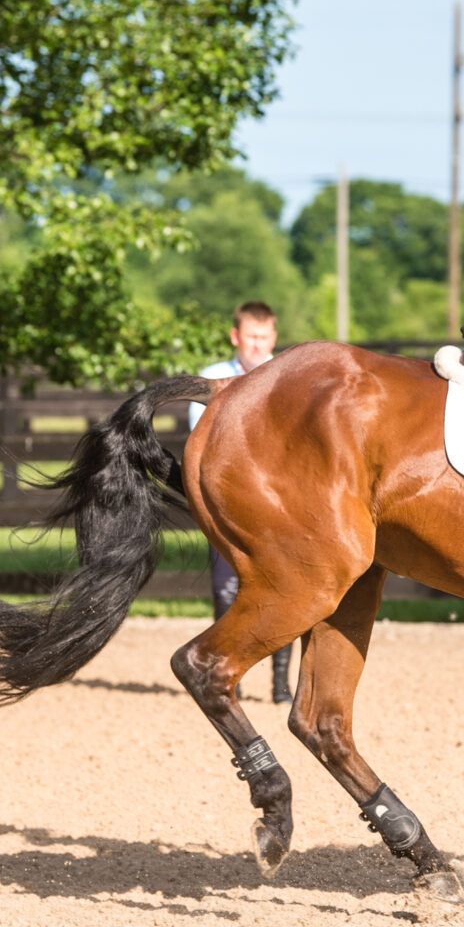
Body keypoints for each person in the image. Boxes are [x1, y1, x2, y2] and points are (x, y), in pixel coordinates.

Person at [189, 301, 293, 703]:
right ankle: (227, 671)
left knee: (285, 589)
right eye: (251, 337)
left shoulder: (287, 374)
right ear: (236, 336)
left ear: (274, 337)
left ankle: (281, 683)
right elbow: (199, 440)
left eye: (264, 337)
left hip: (279, 501)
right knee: (226, 590)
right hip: (229, 498)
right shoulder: (214, 378)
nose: (256, 345)